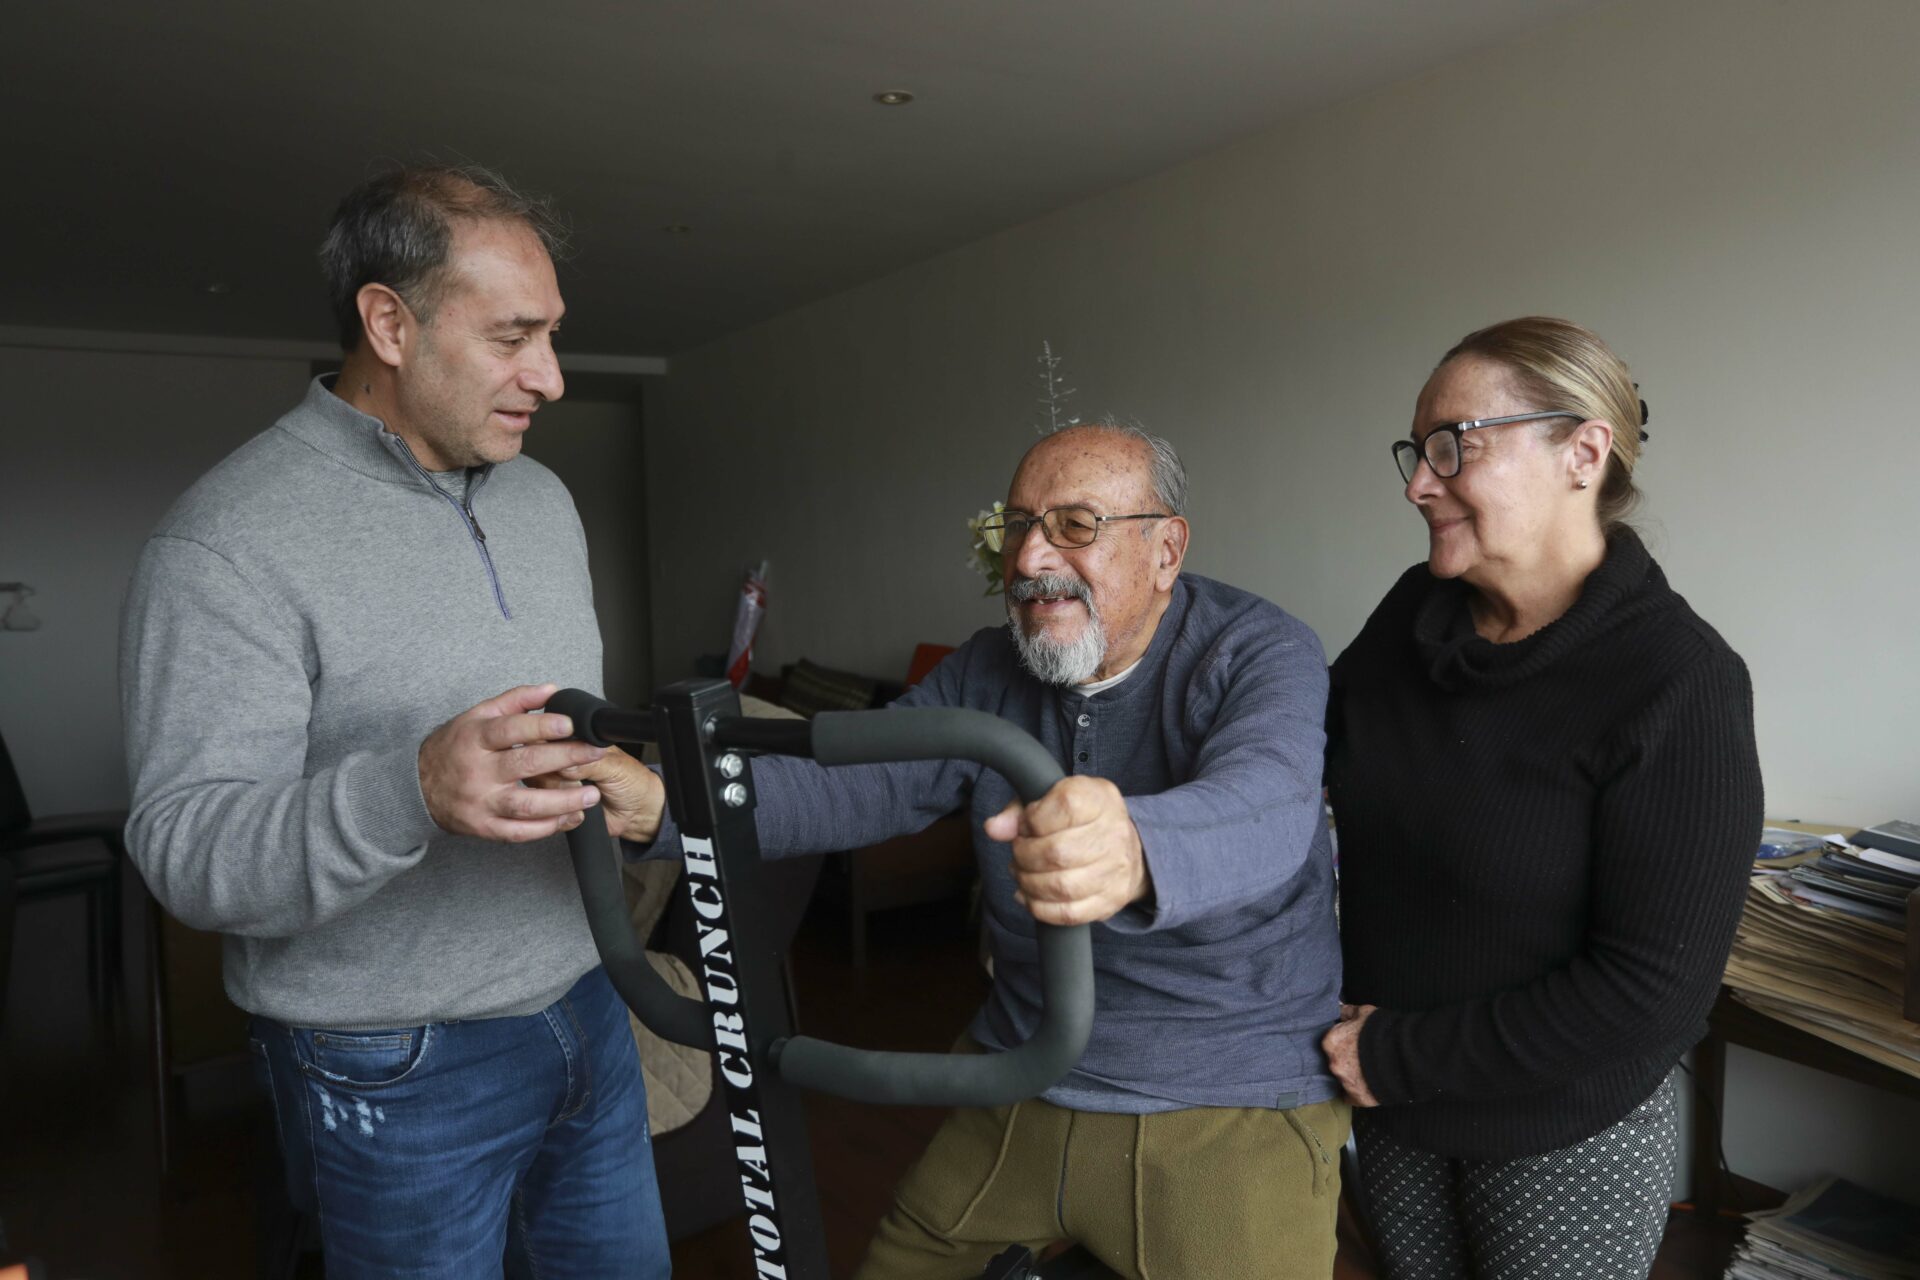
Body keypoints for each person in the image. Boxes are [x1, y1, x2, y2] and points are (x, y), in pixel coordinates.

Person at [589, 422, 1348, 1278]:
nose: (1029, 559)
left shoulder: (1261, 648)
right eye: (1018, 526)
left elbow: (1272, 801)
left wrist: (1135, 846)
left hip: (1223, 1093)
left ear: (1165, 548)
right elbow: (863, 780)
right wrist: (663, 804)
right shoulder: (988, 668)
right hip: (1025, 1066)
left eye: (1074, 525)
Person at [119, 165, 670, 1279]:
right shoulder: (225, 542)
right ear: (388, 322)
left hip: (592, 1002)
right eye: (515, 337)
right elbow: (185, 848)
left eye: (554, 335)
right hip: (389, 1057)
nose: (552, 378)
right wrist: (409, 787)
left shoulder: (544, 501)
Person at [1321, 316, 1763, 1279]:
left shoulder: (1677, 683)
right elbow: (1302, 756)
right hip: (1394, 1103)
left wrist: (1399, 1057)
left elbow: (1651, 992)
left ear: (1583, 453)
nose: (1417, 482)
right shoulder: (1412, 616)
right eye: (1416, 449)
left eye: (1453, 447)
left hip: (1562, 1134)